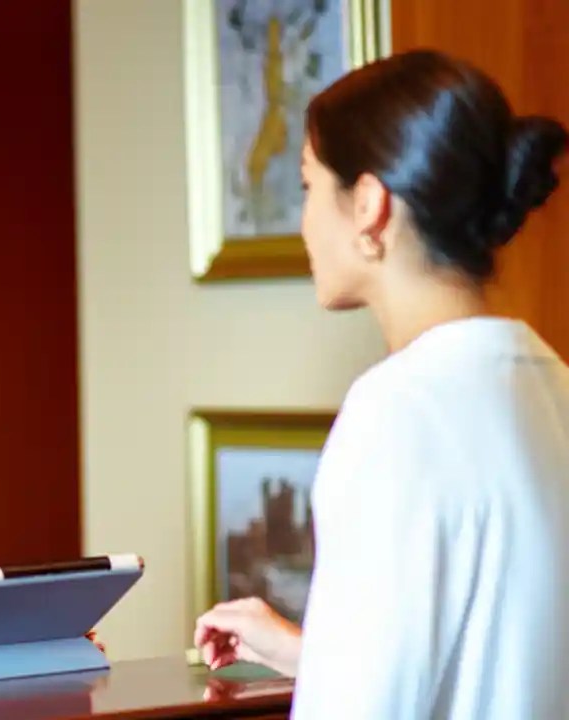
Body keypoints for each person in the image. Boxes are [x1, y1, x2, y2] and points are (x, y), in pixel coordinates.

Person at [193, 49, 569, 718]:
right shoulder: (552, 385)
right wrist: (313, 651)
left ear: (367, 204)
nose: (305, 220)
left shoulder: (395, 415)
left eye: (309, 188)